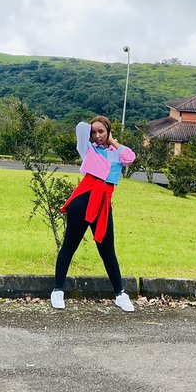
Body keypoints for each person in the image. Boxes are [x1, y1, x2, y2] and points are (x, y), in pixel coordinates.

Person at [51, 115, 135, 312]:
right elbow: (80, 127)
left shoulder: (117, 154)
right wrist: (95, 126)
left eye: (101, 132)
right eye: (94, 132)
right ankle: (57, 291)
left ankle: (120, 294)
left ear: (108, 131)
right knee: (69, 247)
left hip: (103, 204)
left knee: (108, 251)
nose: (97, 136)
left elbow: (130, 157)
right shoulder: (88, 150)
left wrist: (112, 140)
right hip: (83, 200)